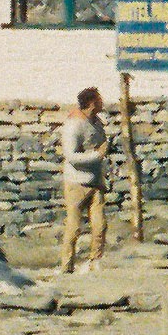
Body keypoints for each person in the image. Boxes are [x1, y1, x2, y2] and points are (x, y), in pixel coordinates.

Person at [58, 86, 111, 271]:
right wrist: (97, 155)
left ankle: (94, 261)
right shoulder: (74, 125)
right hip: (76, 182)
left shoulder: (96, 122)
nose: (102, 102)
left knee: (100, 225)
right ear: (91, 102)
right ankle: (67, 265)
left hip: (95, 181)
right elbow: (71, 156)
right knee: (74, 227)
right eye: (99, 99)